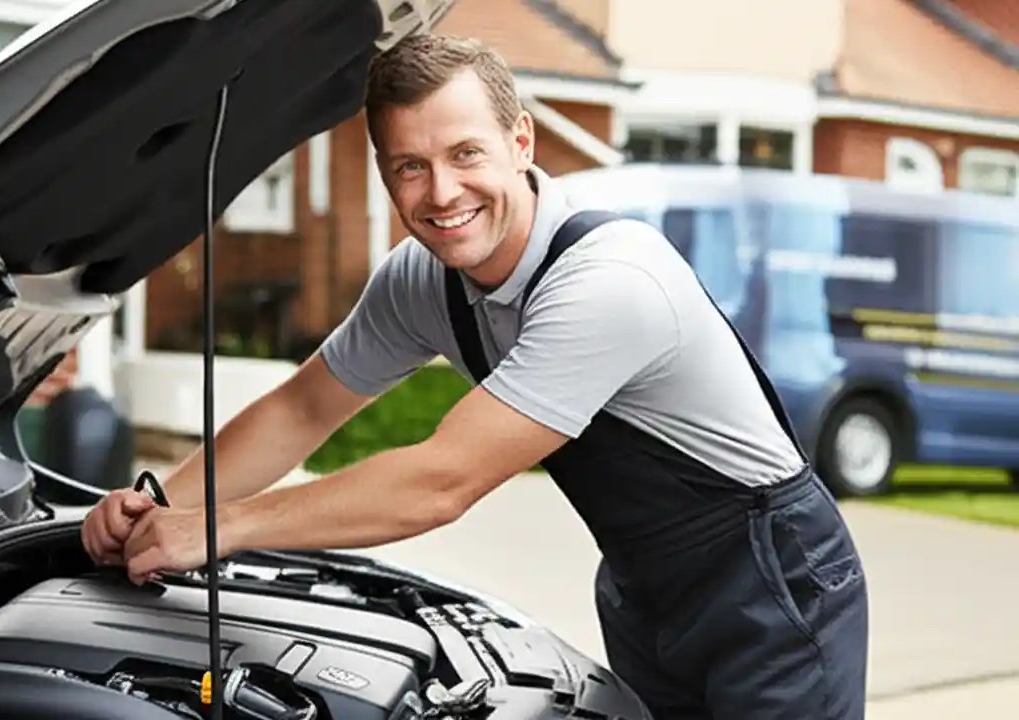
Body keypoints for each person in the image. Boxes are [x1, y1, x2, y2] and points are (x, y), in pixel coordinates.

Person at [81, 33, 869, 719]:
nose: (442, 193)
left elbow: (439, 480)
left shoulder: (611, 279)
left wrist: (221, 529)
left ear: (521, 142)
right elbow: (304, 406)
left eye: (466, 154)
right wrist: (159, 507)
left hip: (772, 585)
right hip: (645, 591)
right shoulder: (421, 281)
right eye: (410, 168)